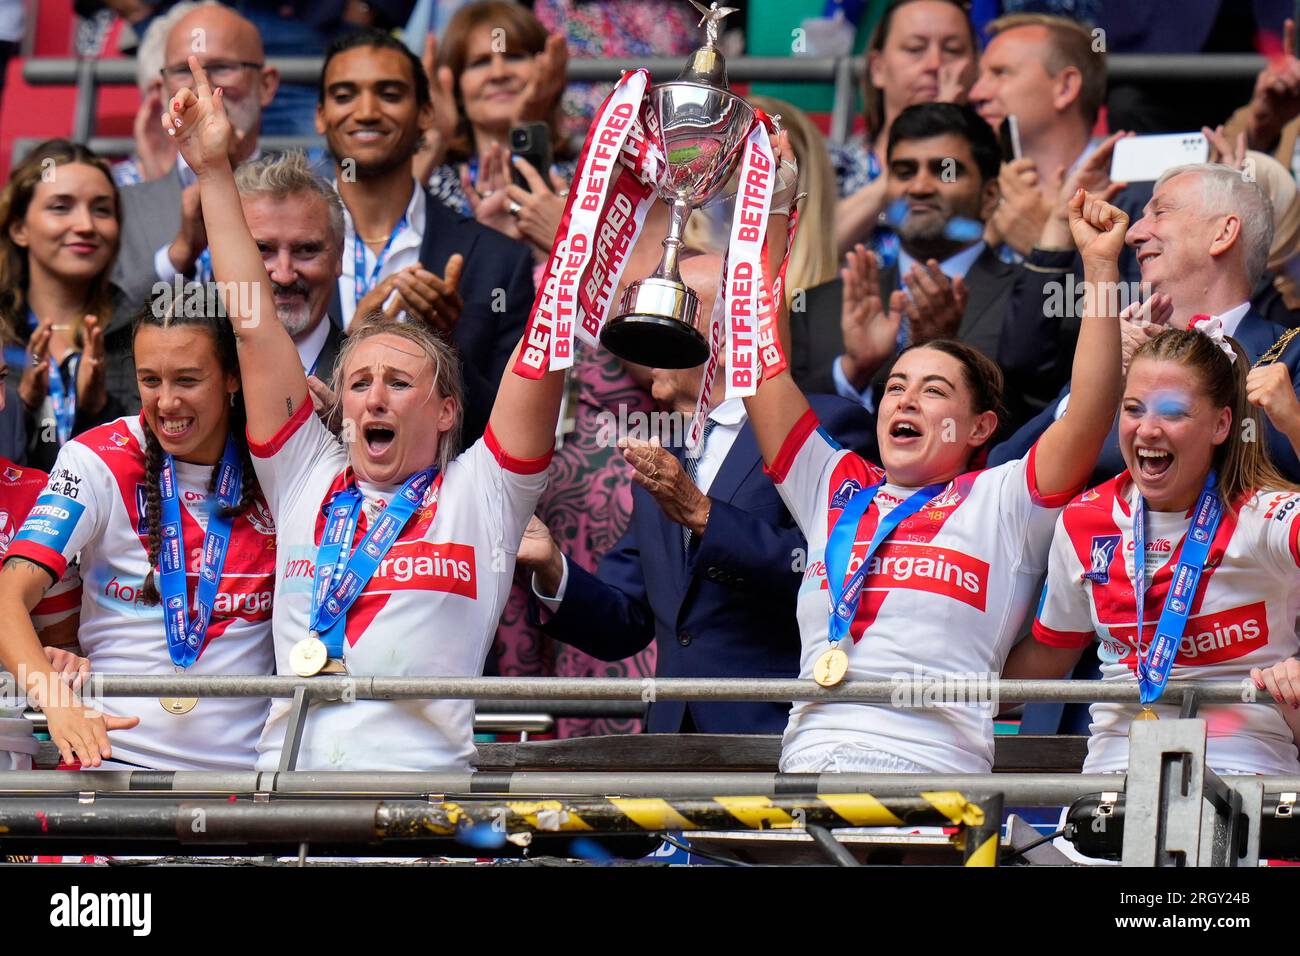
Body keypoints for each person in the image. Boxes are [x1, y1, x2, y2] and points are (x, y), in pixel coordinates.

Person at [170, 56, 565, 771]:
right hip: (285, 806)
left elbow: (541, 358)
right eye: (357, 384)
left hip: (422, 815)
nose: (374, 398)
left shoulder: (483, 493)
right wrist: (214, 169)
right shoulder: (302, 474)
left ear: (448, 411)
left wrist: (583, 236)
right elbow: (256, 321)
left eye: (398, 383)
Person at [741, 187, 1124, 773]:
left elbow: (1093, 410)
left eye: (934, 391)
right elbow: (761, 366)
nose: (907, 400)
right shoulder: (835, 484)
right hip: (810, 764)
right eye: (896, 386)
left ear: (981, 427)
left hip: (937, 772)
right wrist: (770, 212)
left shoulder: (1003, 500)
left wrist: (1098, 267)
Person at [516, 254, 875, 735]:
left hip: (777, 730)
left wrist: (705, 515)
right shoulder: (665, 452)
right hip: (672, 741)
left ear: (729, 338)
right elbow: (626, 621)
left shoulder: (824, 426)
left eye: (676, 314)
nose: (649, 340)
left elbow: (841, 574)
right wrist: (551, 564)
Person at [0, 293, 278, 771]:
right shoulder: (95, 459)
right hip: (110, 770)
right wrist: (56, 701)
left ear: (233, 375)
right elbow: (7, 600)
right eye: (150, 380)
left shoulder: (277, 462)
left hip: (244, 789)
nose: (166, 402)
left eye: (188, 380)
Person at [1010, 327, 1300, 776]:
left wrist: (1295, 425)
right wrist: (942, 688)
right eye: (1133, 409)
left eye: (1174, 412)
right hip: (1112, 781)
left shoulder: (1261, 515)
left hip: (1244, 775)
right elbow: (1047, 656)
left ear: (1222, 424)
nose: (1148, 429)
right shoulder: (1084, 519)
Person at [993, 163, 1300, 485]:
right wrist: (1097, 386)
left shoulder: (1290, 356)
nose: (1133, 234)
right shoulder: (1114, 356)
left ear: (1222, 234)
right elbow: (1004, 474)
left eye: (1160, 213)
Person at [316, 28, 535, 445]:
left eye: (390, 94)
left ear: (426, 114)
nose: (365, 112)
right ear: (320, 114)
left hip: (447, 503)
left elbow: (514, 436)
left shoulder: (499, 261)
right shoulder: (277, 246)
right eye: (344, 95)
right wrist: (348, 350)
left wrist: (445, 354)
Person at [793, 102, 1072, 429]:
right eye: (905, 171)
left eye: (945, 171)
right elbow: (778, 436)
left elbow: (1038, 430)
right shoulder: (818, 306)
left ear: (989, 196)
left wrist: (945, 350)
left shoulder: (1036, 305)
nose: (920, 187)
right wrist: (854, 372)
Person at [105, 3, 279, 415]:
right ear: (161, 87)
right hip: (154, 428)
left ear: (267, 84)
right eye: (185, 71)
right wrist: (176, 256)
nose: (203, 87)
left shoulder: (308, 197)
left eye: (222, 68)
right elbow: (101, 330)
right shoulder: (116, 205)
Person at [968, 11, 1147, 279]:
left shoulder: (1138, 201)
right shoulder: (971, 191)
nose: (976, 93)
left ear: (1065, 87)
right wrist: (984, 249)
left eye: (1000, 73)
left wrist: (1045, 248)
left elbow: (1146, 315)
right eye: (979, 77)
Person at [0, 140, 118, 470]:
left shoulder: (143, 330)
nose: (85, 226)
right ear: (19, 228)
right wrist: (21, 408)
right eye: (61, 207)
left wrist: (100, 410)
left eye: (102, 209)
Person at [832, 0, 978, 257]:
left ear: (976, 68)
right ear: (877, 68)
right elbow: (810, 255)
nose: (935, 64)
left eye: (953, 50)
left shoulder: (994, 170)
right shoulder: (834, 165)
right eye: (915, 48)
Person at [418, 0, 569, 225]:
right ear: (456, 87)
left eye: (514, 57)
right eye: (480, 63)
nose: (499, 73)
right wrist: (436, 137)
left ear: (545, 70)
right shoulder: (430, 181)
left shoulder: (587, 179)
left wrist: (527, 124)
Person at [0, 354, 81, 771]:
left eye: (0, 380)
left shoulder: (36, 499)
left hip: (14, 778)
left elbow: (66, 651)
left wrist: (68, 663)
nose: (1, 404)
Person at [233, 152, 346, 390]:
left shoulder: (372, 384)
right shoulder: (190, 372)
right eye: (262, 249)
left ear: (339, 255)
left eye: (306, 249)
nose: (284, 275)